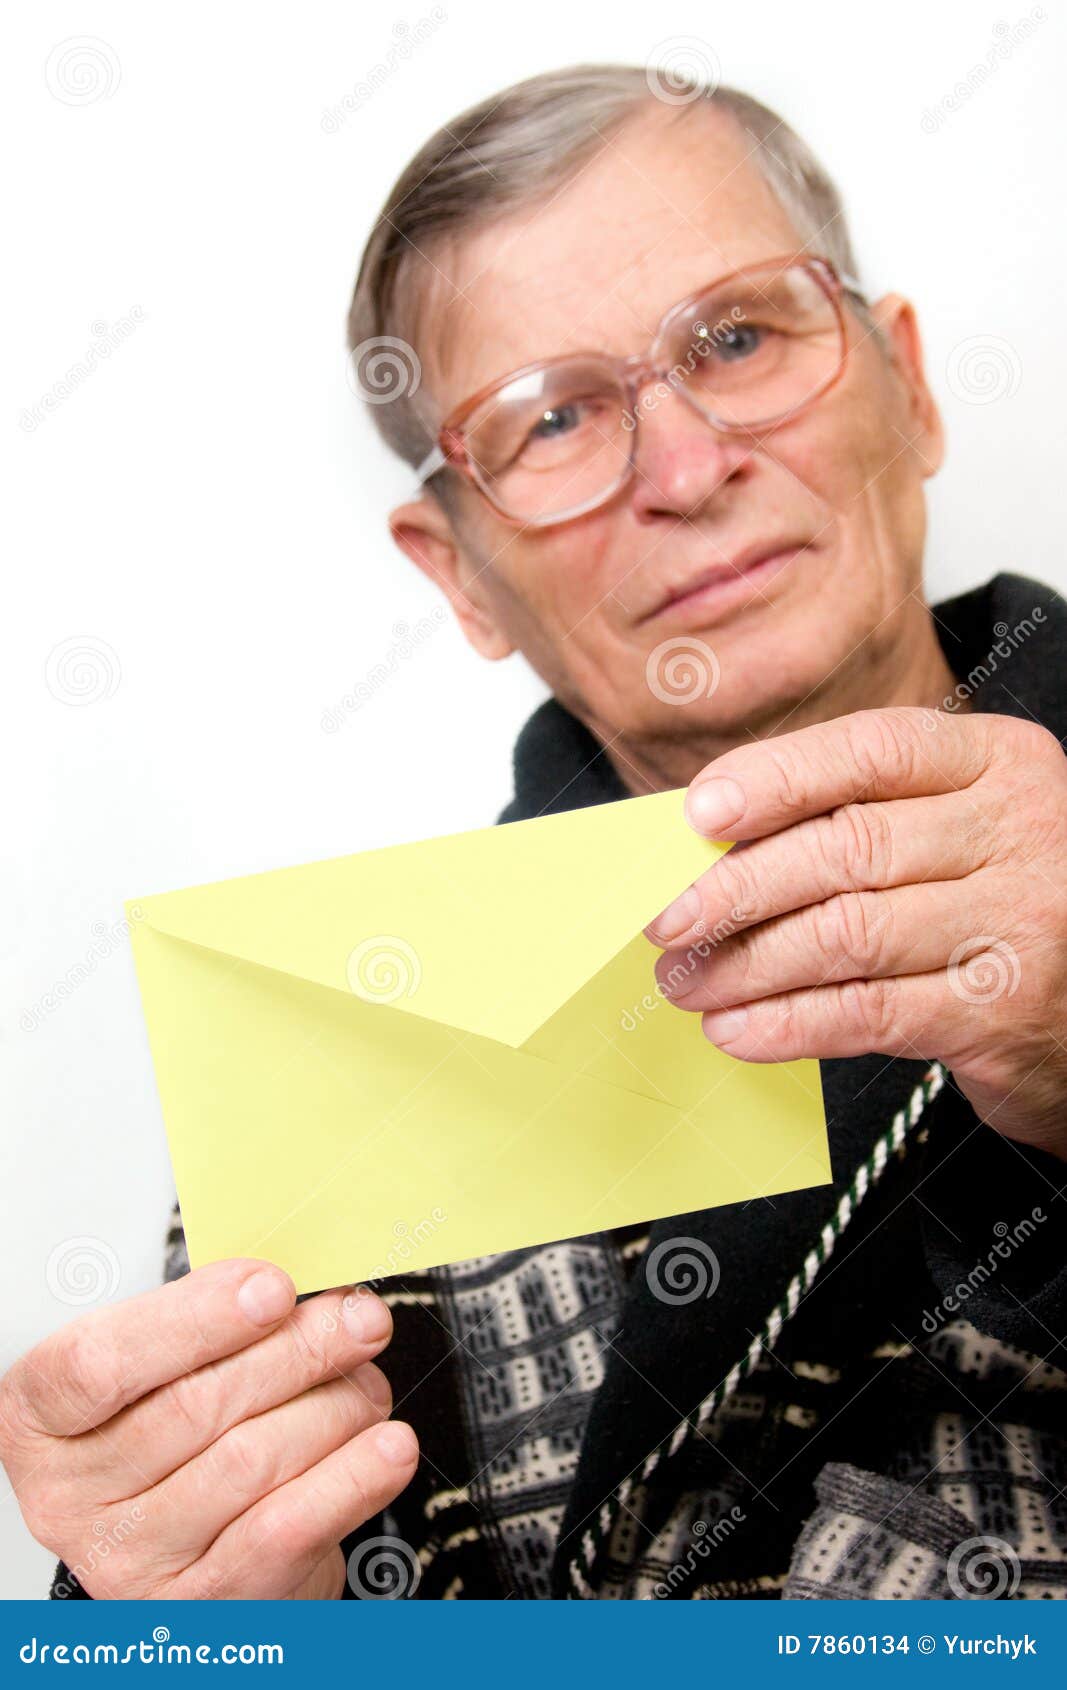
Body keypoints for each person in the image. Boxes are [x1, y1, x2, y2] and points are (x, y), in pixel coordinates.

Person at [4, 64, 1066, 1602]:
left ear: (909, 385)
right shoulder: (346, 1070)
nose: (690, 471)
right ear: (461, 577)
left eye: (742, 336)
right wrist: (198, 1624)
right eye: (556, 418)